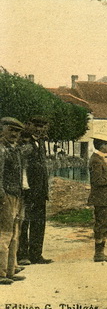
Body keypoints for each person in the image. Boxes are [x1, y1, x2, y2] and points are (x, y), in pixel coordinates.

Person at [17, 116, 52, 266]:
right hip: (28, 189)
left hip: (40, 190)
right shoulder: (24, 142)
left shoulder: (41, 142)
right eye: (37, 126)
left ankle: (36, 254)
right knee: (25, 222)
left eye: (43, 126)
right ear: (29, 125)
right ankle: (23, 255)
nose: (40, 129)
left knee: (39, 222)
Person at [0, 118, 26, 283]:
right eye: (11, 130)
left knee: (15, 234)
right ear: (2, 130)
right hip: (6, 195)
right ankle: (1, 273)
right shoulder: (2, 150)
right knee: (4, 233)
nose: (15, 134)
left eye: (17, 131)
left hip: (16, 194)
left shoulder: (15, 150)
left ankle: (10, 270)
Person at [88, 133, 107, 262]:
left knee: (106, 223)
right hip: (101, 198)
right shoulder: (96, 160)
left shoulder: (98, 159)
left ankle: (101, 252)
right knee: (102, 224)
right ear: (102, 146)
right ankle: (99, 253)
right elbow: (97, 180)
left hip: (104, 198)